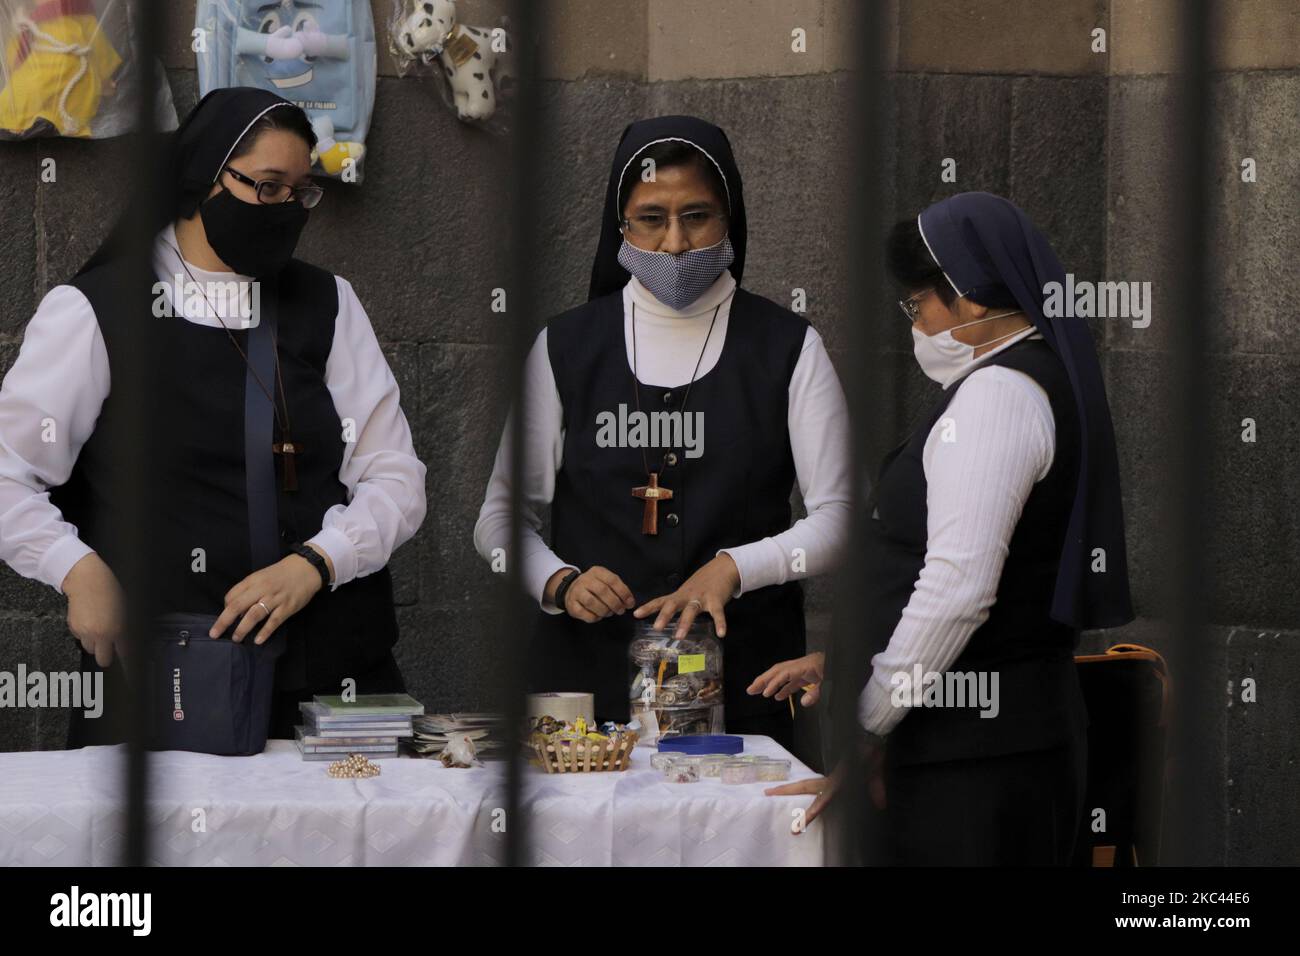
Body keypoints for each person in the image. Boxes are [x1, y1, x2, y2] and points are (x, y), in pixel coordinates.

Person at [0, 87, 426, 745]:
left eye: (301, 191)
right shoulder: (95, 311)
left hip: (330, 667)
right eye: (267, 186)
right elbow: (8, 474)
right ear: (204, 179)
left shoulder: (328, 304)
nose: (285, 207)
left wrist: (318, 561)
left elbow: (395, 475)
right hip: (170, 672)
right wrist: (74, 569)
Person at [763, 192, 1133, 865]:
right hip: (974, 745)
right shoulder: (1017, 382)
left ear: (965, 299)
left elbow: (958, 589)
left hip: (974, 765)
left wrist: (870, 721)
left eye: (918, 305)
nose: (915, 324)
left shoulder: (998, 397)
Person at [474, 115, 851, 751]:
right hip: (586, 681)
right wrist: (560, 582)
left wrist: (735, 567)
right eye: (651, 218)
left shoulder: (788, 348)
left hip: (744, 680)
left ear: (728, 218)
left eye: (697, 216)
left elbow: (839, 519)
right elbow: (502, 518)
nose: (674, 243)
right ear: (620, 228)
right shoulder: (566, 348)